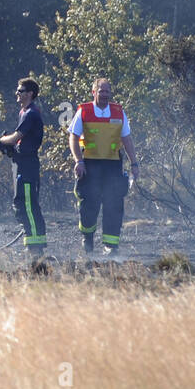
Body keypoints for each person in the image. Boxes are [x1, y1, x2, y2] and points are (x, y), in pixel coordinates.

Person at [67, 78, 139, 256]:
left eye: (107, 91)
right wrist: (78, 161)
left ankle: (111, 246)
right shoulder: (84, 110)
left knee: (114, 205)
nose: (105, 95)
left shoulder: (118, 111)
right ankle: (88, 238)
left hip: (113, 165)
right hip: (90, 164)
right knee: (89, 204)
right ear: (94, 92)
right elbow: (73, 137)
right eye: (101, 91)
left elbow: (126, 139)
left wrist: (134, 163)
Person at [0, 78, 45, 257]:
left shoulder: (30, 113)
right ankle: (33, 246)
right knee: (21, 203)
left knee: (28, 205)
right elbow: (19, 142)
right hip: (22, 164)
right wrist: (8, 146)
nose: (17, 94)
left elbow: (14, 138)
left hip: (27, 166)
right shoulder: (24, 112)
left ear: (30, 94)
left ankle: (36, 249)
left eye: (20, 91)